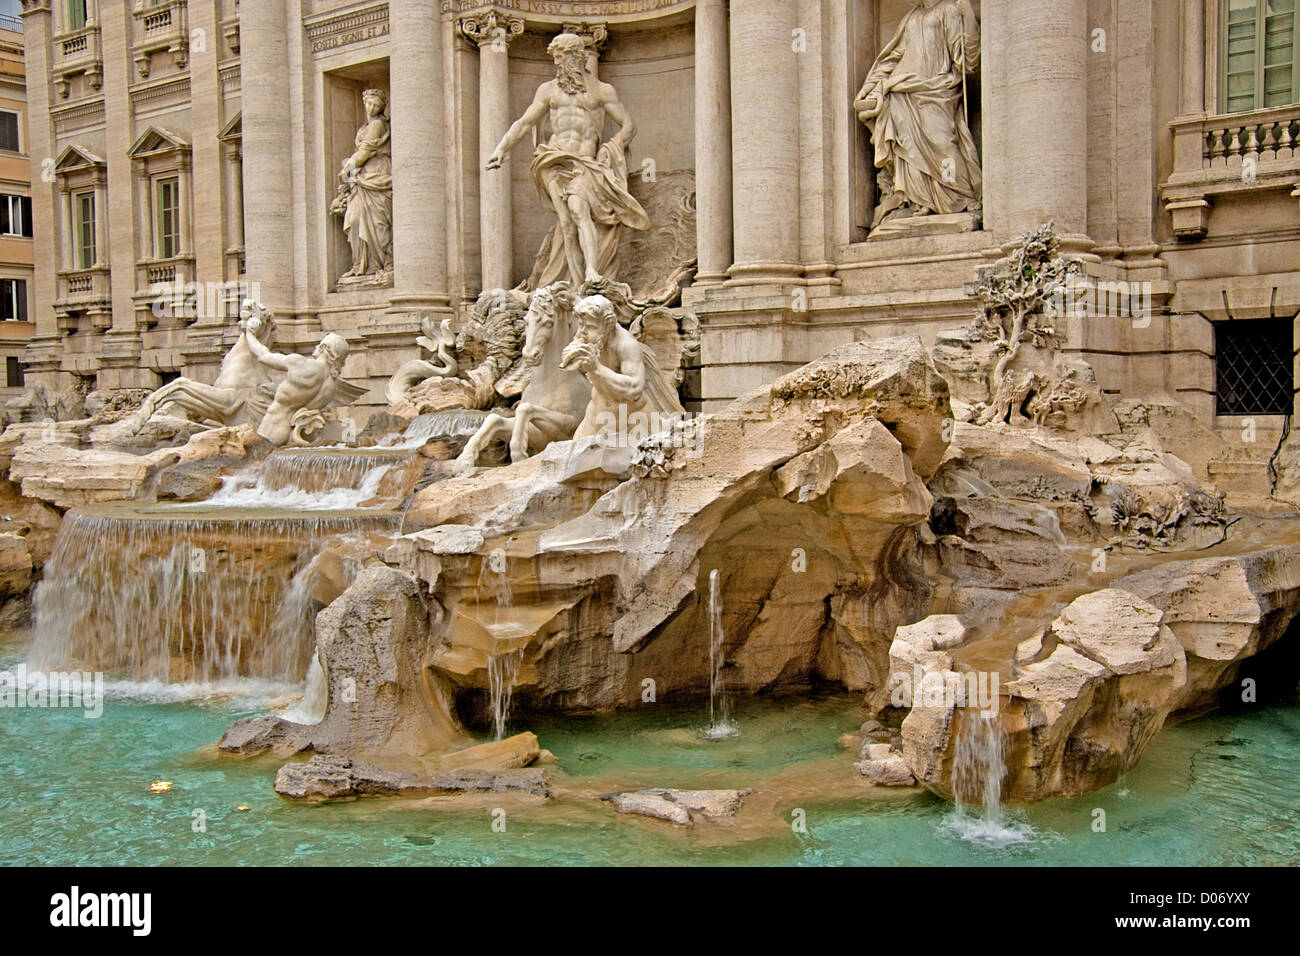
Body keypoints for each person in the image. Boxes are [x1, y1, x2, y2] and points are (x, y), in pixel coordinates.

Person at [486, 32, 650, 288]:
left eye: (561, 58)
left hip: (584, 163)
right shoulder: (547, 91)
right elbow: (525, 122)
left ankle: (593, 272)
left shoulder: (601, 91)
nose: (557, 64)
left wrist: (613, 146)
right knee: (566, 224)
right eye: (555, 58)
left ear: (577, 56)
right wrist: (502, 148)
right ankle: (576, 284)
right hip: (554, 160)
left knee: (579, 209)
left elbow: (629, 125)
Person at [855, 0, 982, 230]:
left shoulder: (949, 10)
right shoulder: (911, 17)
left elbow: (965, 59)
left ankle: (959, 197)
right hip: (902, 92)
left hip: (936, 89)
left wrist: (968, 16)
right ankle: (918, 201)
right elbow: (892, 58)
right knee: (908, 147)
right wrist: (867, 89)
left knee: (943, 142)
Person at [332, 88, 393, 279]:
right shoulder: (363, 128)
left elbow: (365, 151)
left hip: (377, 173)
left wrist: (348, 167)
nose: (372, 107)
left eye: (377, 105)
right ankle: (362, 264)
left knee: (378, 222)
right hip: (362, 177)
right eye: (369, 103)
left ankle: (380, 262)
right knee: (356, 218)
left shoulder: (378, 125)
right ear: (364, 103)